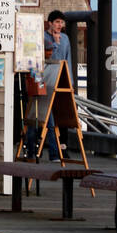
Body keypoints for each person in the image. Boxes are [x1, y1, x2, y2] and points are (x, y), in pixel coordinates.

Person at [31, 10, 73, 161]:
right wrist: (55, 43)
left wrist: (71, 82)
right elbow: (49, 59)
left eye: (62, 22)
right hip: (47, 80)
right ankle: (41, 148)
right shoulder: (43, 37)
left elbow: (68, 60)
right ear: (50, 23)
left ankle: (62, 149)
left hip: (62, 81)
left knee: (62, 116)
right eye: (56, 22)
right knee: (44, 116)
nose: (59, 25)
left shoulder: (66, 39)